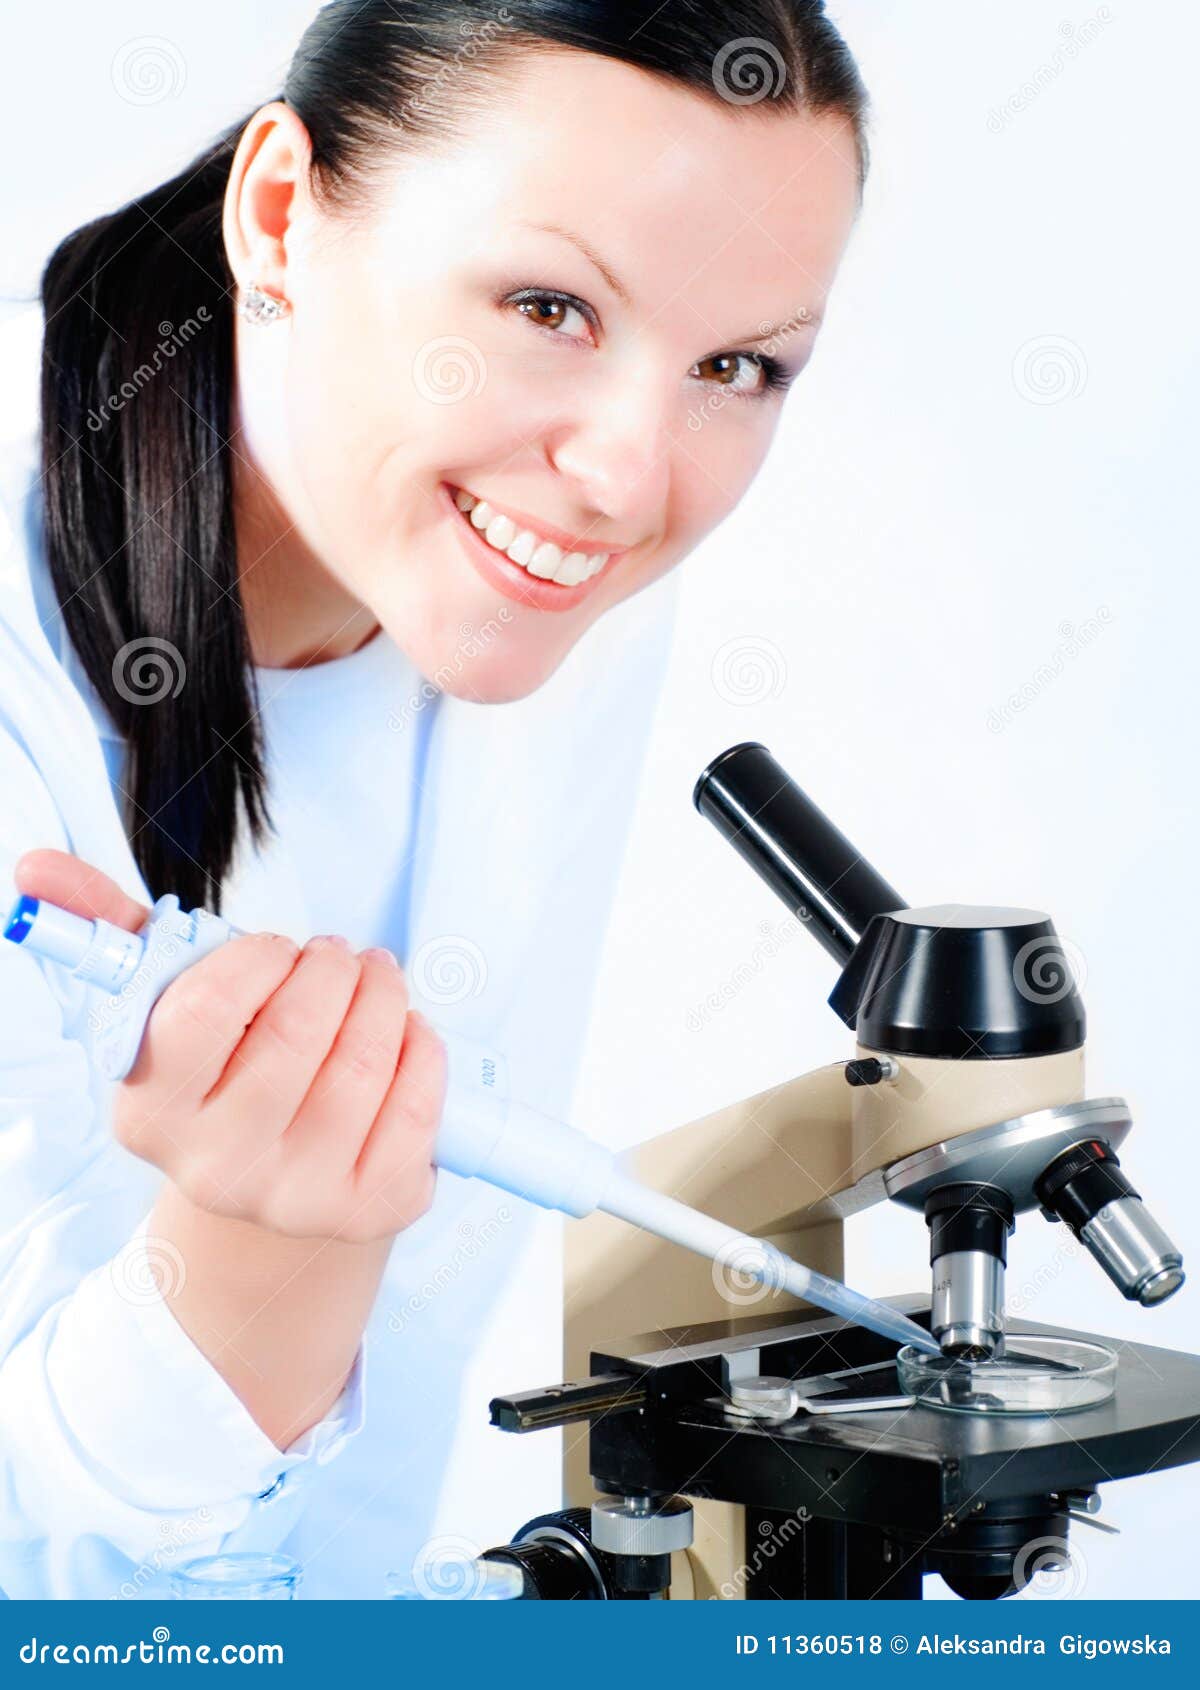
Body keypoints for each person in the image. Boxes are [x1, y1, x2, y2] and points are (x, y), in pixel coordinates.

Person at [0, 0, 867, 1599]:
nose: (631, 471)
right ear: (279, 215)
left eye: (739, 364)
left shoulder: (534, 568)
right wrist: (258, 1261)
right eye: (549, 304)